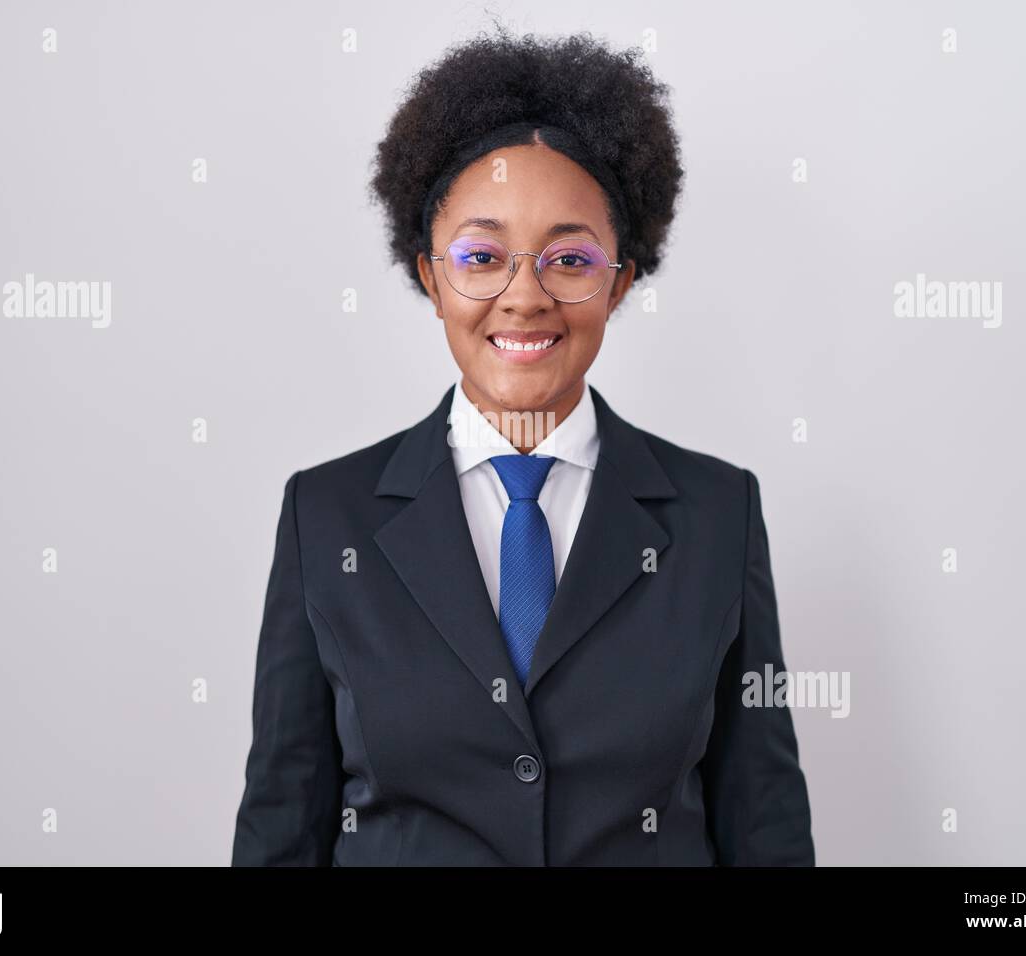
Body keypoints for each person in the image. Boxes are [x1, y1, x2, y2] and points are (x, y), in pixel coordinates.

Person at [232, 27, 814, 866]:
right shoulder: (324, 518)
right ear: (430, 275)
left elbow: (766, 826)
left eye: (570, 259)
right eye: (482, 256)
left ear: (621, 279)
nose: (525, 297)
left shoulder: (720, 514)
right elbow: (280, 828)